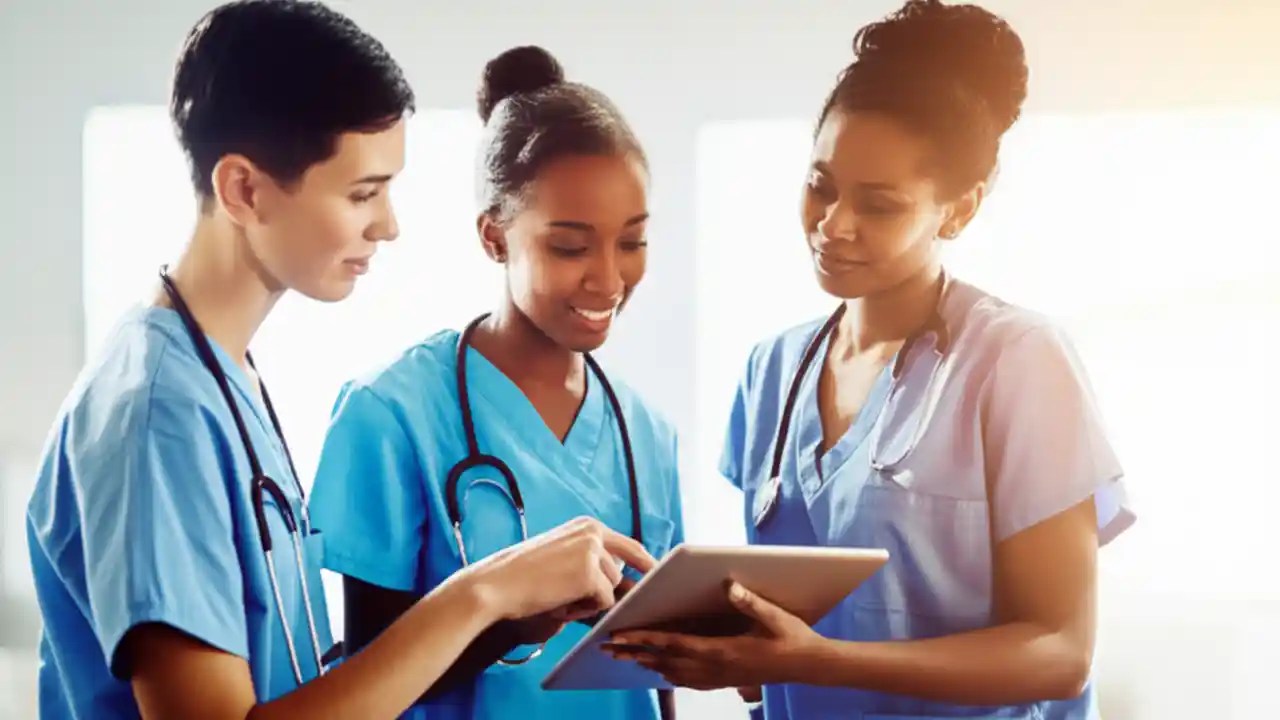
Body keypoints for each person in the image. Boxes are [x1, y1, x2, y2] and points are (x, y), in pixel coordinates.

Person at [24, 3, 654, 718]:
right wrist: (484, 592)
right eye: (364, 193)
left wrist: (498, 619)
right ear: (245, 189)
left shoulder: (225, 382)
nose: (388, 224)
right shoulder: (158, 413)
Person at [606, 1, 1136, 718]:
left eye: (879, 206)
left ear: (959, 210)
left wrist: (815, 660)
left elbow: (1061, 652)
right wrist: (720, 650)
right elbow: (777, 645)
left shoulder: (1016, 362)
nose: (832, 225)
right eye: (820, 185)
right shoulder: (773, 372)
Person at [307, 45, 685, 720]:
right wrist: (511, 617)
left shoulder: (645, 433)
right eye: (569, 246)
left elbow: (654, 686)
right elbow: (364, 681)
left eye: (632, 242)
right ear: (494, 238)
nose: (609, 278)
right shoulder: (393, 414)